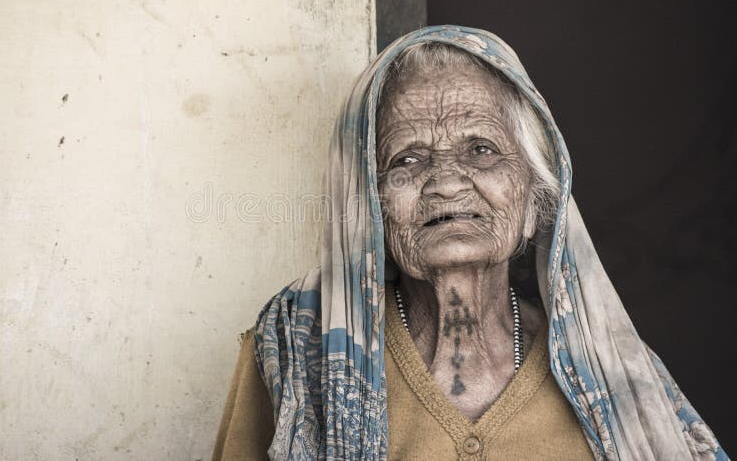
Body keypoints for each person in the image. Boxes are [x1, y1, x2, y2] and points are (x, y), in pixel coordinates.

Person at [212, 26, 726, 460]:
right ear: (370, 202)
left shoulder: (615, 372)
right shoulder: (296, 349)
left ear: (534, 196)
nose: (446, 182)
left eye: (481, 150)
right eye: (407, 159)